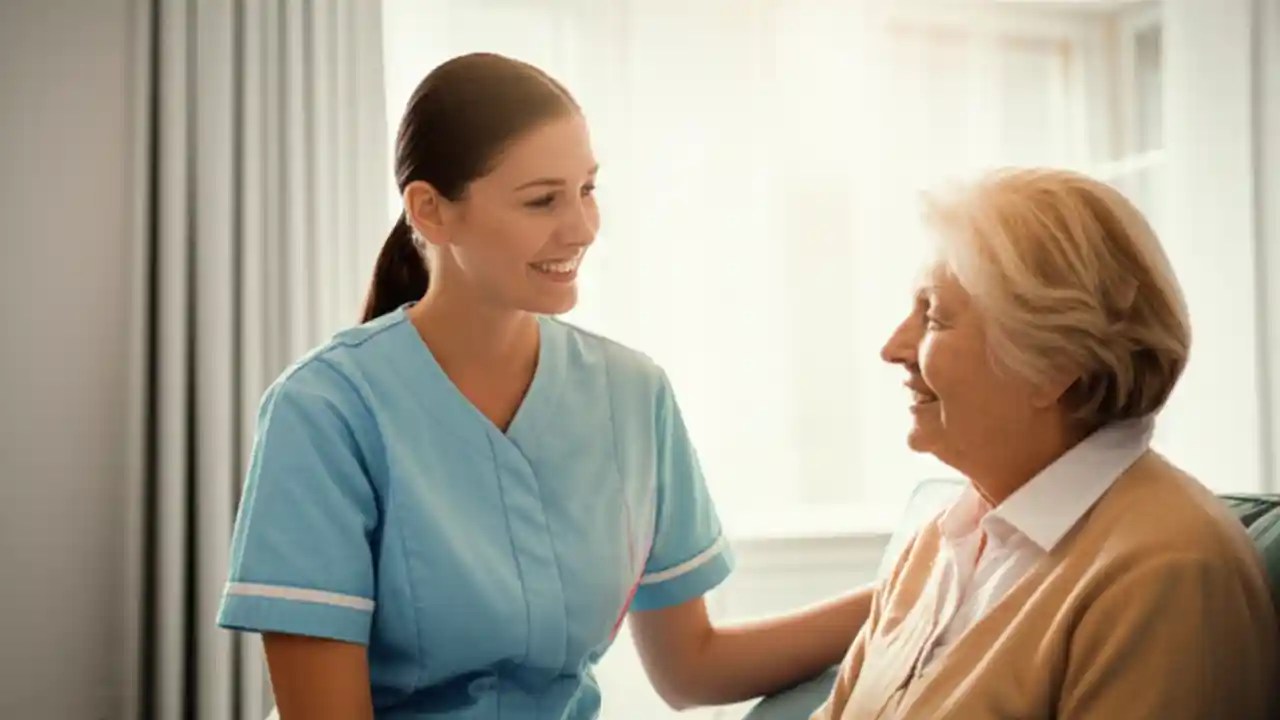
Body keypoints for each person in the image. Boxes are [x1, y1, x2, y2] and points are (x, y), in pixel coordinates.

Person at [216, 52, 869, 720]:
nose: (582, 228)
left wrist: (916, 588)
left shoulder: (633, 395)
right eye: (542, 200)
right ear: (432, 212)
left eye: (587, 189)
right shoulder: (323, 413)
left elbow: (692, 668)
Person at [812, 168, 1279, 720]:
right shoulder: (939, 540)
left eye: (934, 316)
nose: (893, 348)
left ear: (1055, 363)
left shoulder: (1169, 573)